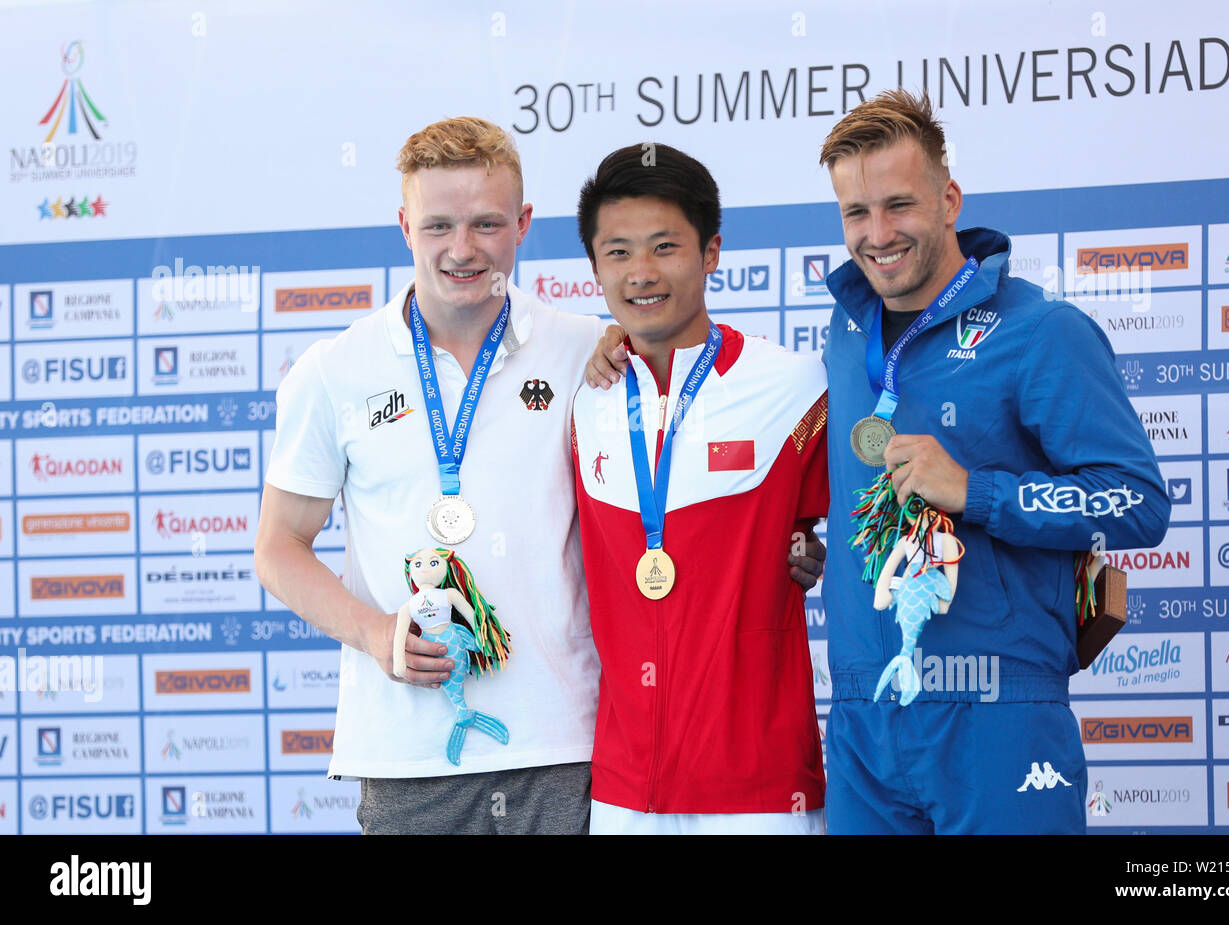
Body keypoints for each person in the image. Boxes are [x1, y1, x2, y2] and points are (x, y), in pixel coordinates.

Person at [815, 89, 1170, 834]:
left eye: (899, 205)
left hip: (997, 710)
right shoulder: (846, 333)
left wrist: (977, 491)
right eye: (856, 212)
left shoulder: (1041, 330)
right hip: (864, 712)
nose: (877, 234)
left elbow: (1137, 500)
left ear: (949, 199)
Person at [254, 116, 608, 834]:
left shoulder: (585, 351)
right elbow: (277, 547)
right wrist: (377, 631)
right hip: (405, 757)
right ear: (405, 224)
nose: (462, 249)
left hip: (562, 741)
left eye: (485, 223)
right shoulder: (335, 370)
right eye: (439, 224)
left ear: (523, 224)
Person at [571, 143, 829, 834]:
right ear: (594, 267)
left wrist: (811, 548)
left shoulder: (798, 385)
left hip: (762, 789)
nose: (642, 273)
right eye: (618, 252)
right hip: (623, 790)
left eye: (665, 246)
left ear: (711, 252)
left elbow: (861, 526)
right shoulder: (574, 395)